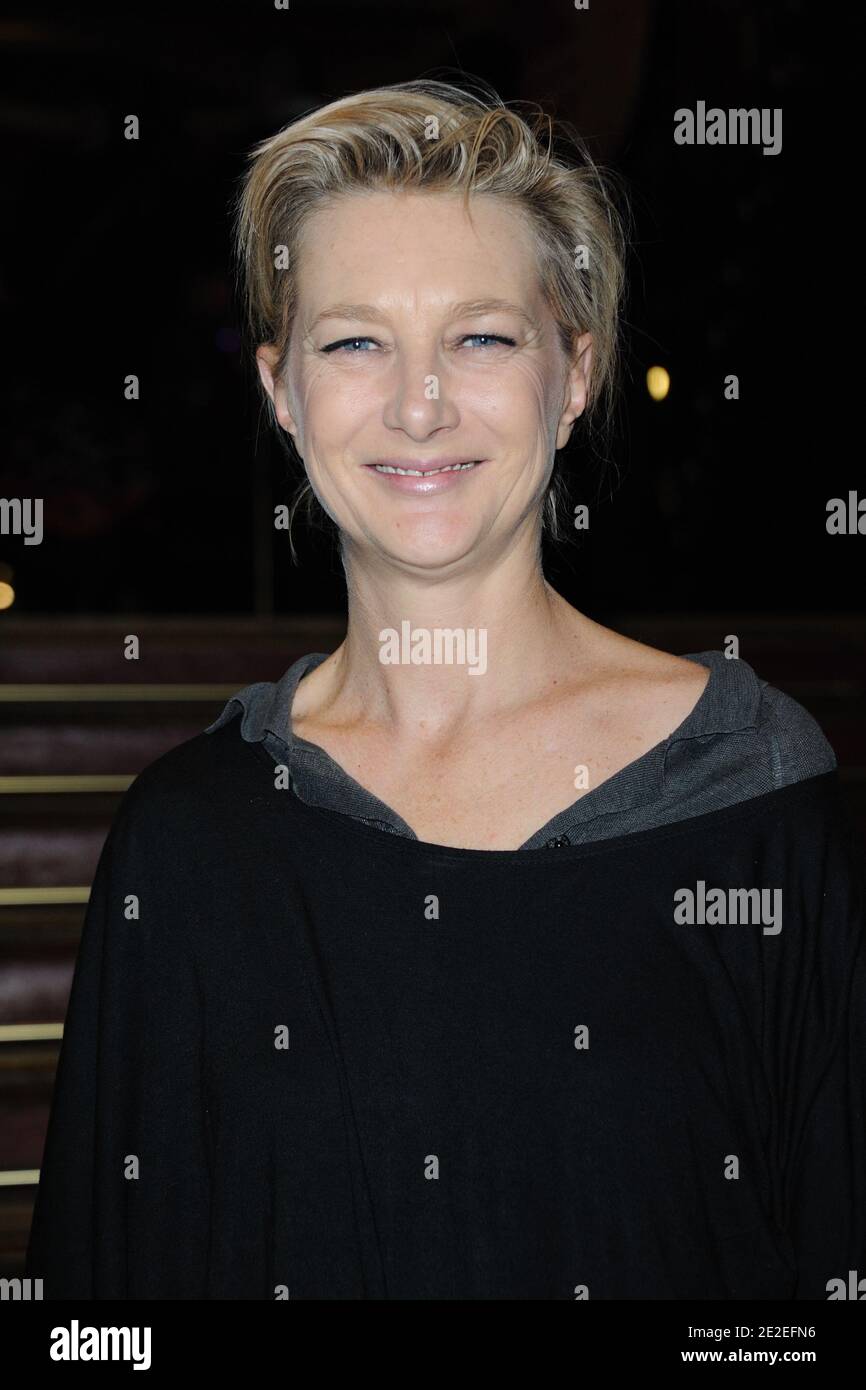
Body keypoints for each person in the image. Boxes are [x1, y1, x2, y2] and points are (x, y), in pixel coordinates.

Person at [25, 77, 865, 1300]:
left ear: (572, 377)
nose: (419, 405)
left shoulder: (750, 795)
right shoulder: (188, 843)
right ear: (281, 391)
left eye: (480, 336)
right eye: (355, 340)